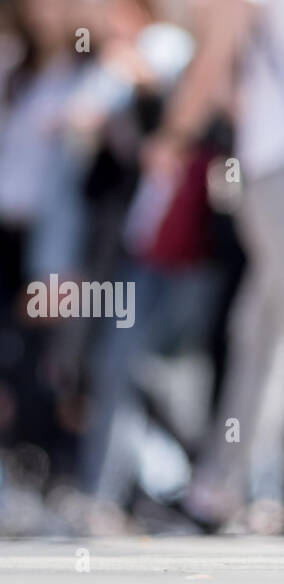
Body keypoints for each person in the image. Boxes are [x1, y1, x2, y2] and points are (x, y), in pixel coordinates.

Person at [150, 0, 284, 531]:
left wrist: (170, 139)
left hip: (275, 168)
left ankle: (228, 486)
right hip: (270, 164)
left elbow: (210, 65)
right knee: (259, 323)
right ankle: (226, 484)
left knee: (265, 330)